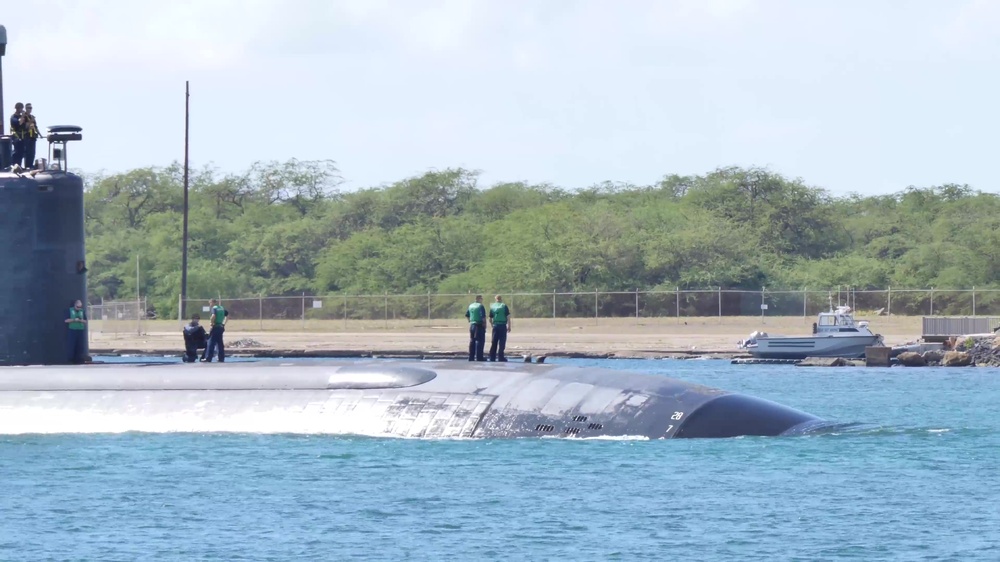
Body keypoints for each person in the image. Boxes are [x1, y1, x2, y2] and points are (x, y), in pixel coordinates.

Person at [201, 298, 228, 362]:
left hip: (215, 326)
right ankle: (221, 358)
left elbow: (213, 316)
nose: (210, 305)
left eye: (210, 303)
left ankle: (208, 358)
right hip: (221, 327)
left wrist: (211, 322)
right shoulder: (221, 308)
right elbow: (228, 316)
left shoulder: (214, 308)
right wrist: (223, 324)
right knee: (219, 343)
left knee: (210, 342)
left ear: (212, 303)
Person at [488, 294, 512, 362]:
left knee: (494, 342)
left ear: (495, 299)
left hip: (495, 325)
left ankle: (492, 357)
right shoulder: (504, 306)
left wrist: (492, 325)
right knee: (502, 342)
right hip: (502, 325)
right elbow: (508, 317)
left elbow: (490, 318)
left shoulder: (492, 306)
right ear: (501, 299)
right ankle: (500, 357)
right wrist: (509, 326)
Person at [64, 299, 87, 364]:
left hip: (80, 330)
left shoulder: (82, 311)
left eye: (80, 307)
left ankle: (79, 359)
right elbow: (66, 320)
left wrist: (80, 320)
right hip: (72, 330)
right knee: (71, 345)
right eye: (78, 307)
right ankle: (70, 360)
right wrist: (74, 320)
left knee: (80, 346)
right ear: (75, 305)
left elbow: (85, 321)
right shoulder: (69, 310)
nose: (79, 308)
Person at [465, 294, 487, 361]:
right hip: (479, 325)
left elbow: (467, 315)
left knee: (472, 341)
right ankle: (479, 357)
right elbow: (483, 317)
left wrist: (470, 320)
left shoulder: (471, 306)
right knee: (480, 341)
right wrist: (484, 325)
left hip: (472, 325)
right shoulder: (480, 306)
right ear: (478, 299)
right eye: (481, 298)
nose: (482, 300)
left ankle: (471, 357)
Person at [20, 103, 41, 169]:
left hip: (33, 136)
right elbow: (24, 126)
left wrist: (40, 135)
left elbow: (35, 127)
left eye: (31, 108)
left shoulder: (32, 117)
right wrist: (30, 121)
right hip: (27, 136)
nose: (30, 109)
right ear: (26, 109)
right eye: (28, 108)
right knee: (27, 152)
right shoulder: (24, 117)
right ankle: (27, 166)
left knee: (32, 152)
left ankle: (31, 165)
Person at [9, 102, 25, 168]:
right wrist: (23, 116)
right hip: (16, 136)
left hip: (22, 136)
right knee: (16, 152)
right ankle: (14, 165)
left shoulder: (20, 117)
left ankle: (19, 165)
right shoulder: (13, 117)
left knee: (21, 152)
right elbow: (19, 123)